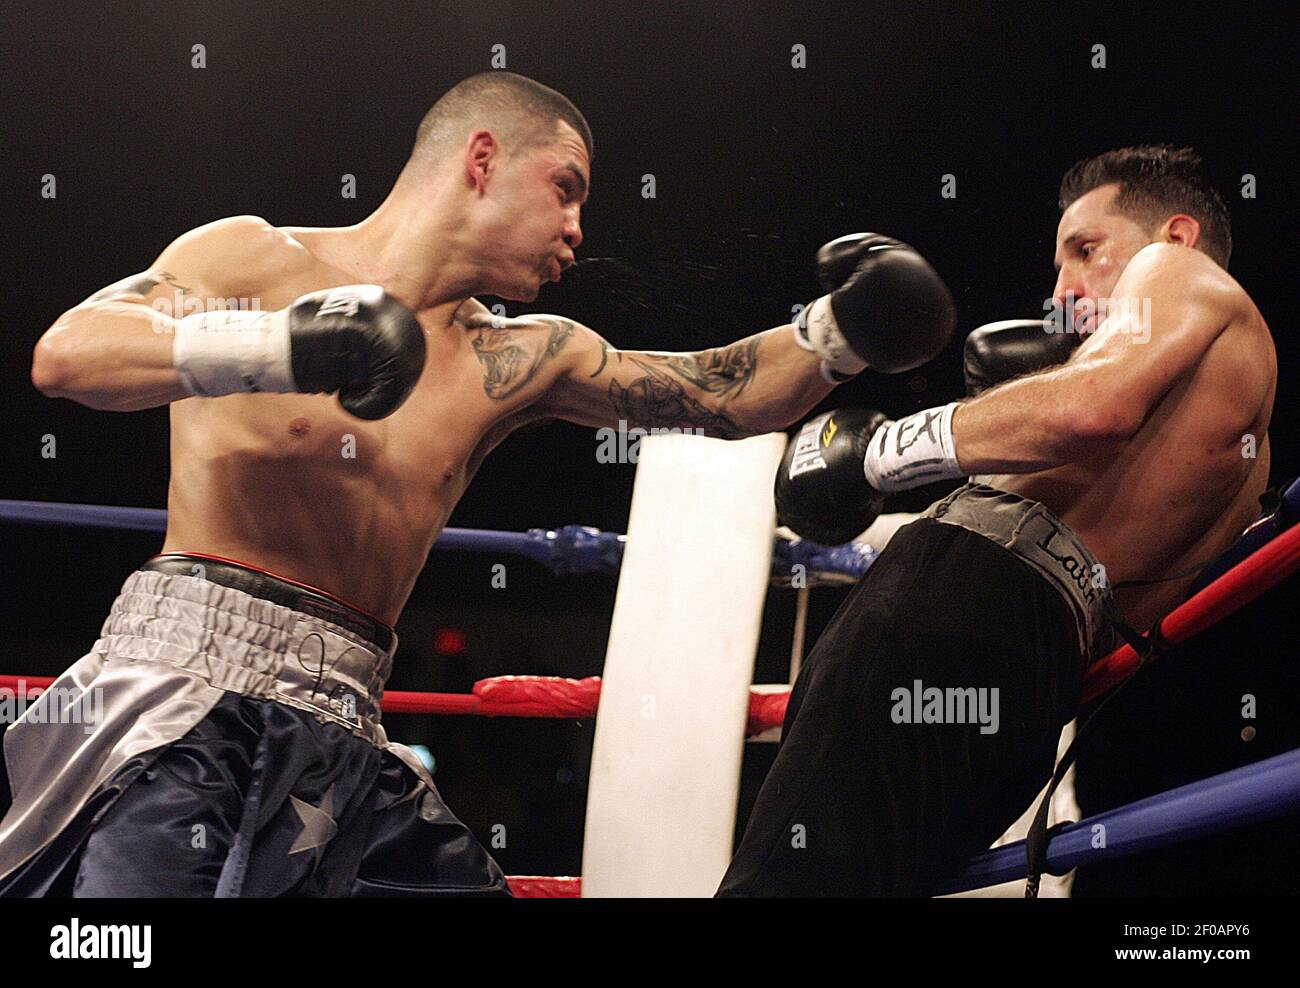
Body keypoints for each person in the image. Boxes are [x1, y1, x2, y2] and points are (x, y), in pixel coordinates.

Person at [4, 71, 955, 896]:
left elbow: (719, 394)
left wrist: (840, 333)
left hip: (347, 724)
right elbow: (68, 356)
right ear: (483, 158)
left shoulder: (525, 355)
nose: (579, 230)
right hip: (188, 693)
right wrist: (282, 345)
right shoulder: (251, 257)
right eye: (567, 190)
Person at [720, 145, 1276, 896]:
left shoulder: (1175, 270)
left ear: (1175, 237)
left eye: (1086, 250)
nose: (1064, 288)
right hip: (1034, 686)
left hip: (955, 607)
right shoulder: (1251, 462)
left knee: (786, 883)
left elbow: (1091, 406)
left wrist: (880, 453)